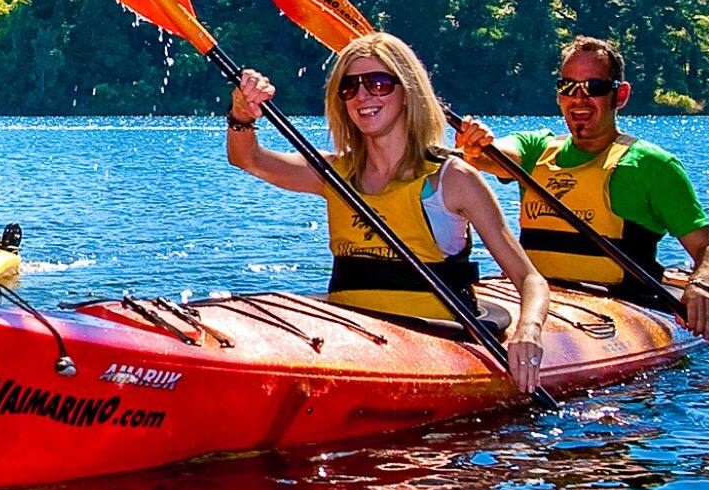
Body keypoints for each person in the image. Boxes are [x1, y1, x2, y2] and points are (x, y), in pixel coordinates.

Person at [227, 33, 552, 394]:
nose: (363, 96)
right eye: (350, 87)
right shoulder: (334, 173)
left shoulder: (452, 179)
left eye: (378, 83)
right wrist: (242, 115)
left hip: (433, 342)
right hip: (351, 337)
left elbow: (530, 279)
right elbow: (248, 158)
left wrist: (528, 330)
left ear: (408, 92)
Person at [453, 36, 709, 338]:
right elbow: (489, 155)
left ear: (620, 95)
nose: (579, 98)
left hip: (619, 307)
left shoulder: (653, 165)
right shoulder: (535, 149)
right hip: (536, 299)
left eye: (593, 87)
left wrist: (701, 285)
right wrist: (475, 146)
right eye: (568, 87)